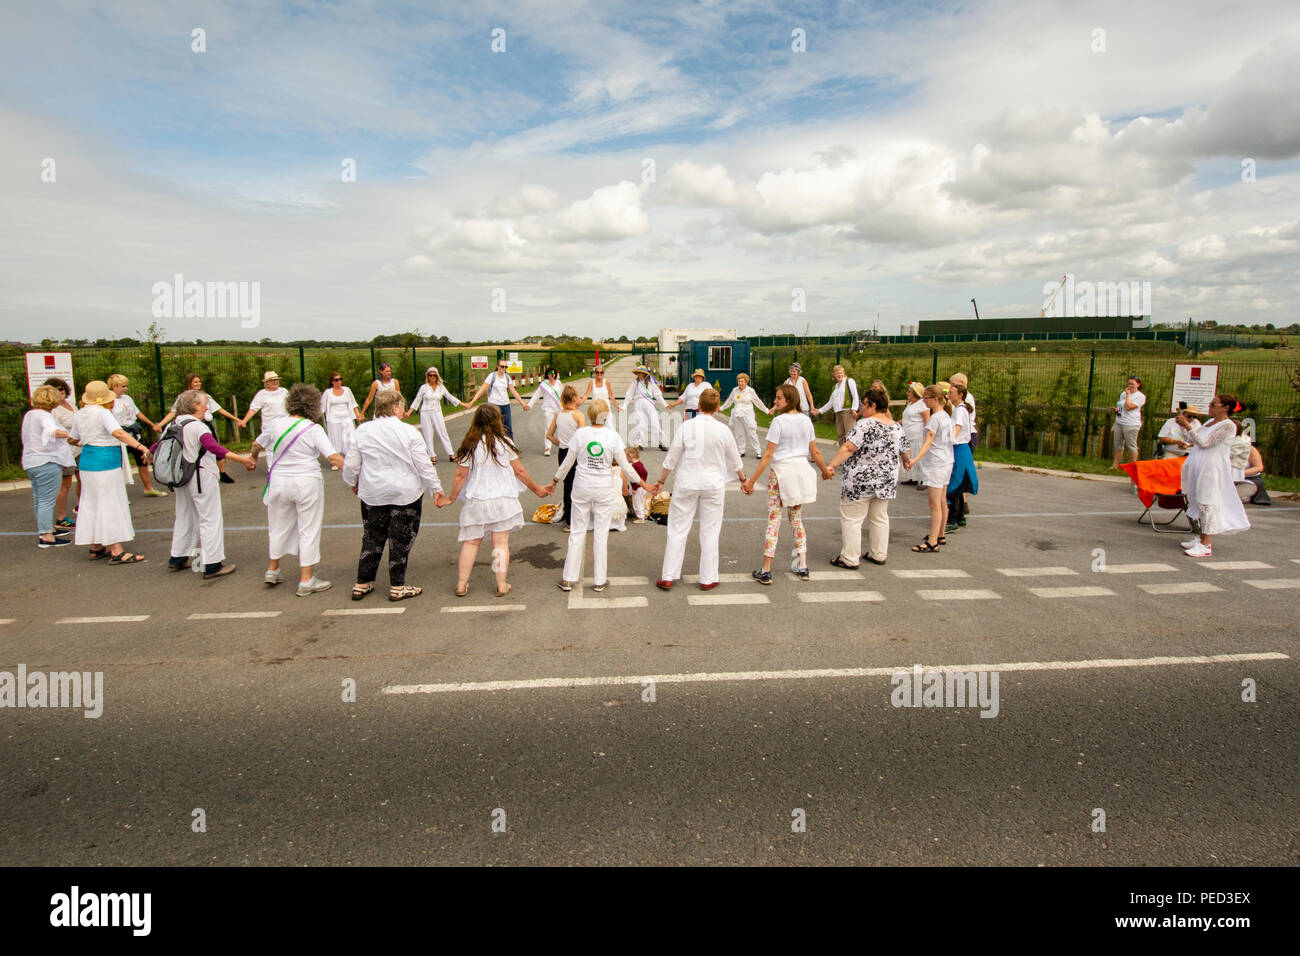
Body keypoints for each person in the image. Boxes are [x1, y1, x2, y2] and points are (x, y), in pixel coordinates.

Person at [343, 390, 447, 601]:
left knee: (372, 536)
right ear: (395, 407)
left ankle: (362, 582)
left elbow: (351, 463)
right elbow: (423, 464)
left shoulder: (362, 431)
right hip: (404, 492)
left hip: (373, 492)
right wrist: (436, 488)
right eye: (401, 407)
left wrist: (353, 482)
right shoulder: (409, 432)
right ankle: (397, 585)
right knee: (400, 539)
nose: (402, 411)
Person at [440, 404, 549, 597]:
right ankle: (501, 584)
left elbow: (460, 475)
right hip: (502, 500)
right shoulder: (504, 442)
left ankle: (461, 584)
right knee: (500, 543)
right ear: (497, 420)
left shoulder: (470, 443)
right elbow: (519, 471)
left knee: (471, 542)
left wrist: (450, 498)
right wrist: (536, 489)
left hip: (477, 500)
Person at [248, 383, 345, 596]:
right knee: (308, 528)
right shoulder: (313, 429)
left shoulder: (275, 425)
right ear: (313, 406)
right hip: (306, 481)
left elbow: (257, 445)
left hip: (279, 481)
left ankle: (273, 569)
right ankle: (306, 579)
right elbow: (333, 457)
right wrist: (355, 472)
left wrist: (253, 459)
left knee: (277, 525)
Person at [646, 388, 748, 590]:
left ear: (698, 406)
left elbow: (671, 458)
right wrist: (744, 480)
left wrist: (660, 480)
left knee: (677, 529)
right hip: (713, 485)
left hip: (687, 482)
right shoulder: (723, 430)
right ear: (718, 407)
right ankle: (708, 578)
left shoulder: (687, 427)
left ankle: (668, 575)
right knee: (710, 531)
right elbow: (736, 462)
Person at [741, 383, 833, 584]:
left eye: (778, 398)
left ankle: (766, 569)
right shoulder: (806, 421)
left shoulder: (779, 422)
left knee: (774, 520)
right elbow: (814, 452)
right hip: (800, 472)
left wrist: (751, 482)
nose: (775, 401)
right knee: (796, 520)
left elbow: (768, 455)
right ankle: (802, 565)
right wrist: (825, 471)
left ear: (789, 400)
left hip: (781, 473)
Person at [163, 388, 256, 578]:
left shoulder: (174, 424)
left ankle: (178, 556)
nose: (207, 405)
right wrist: (243, 460)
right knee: (210, 518)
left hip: (181, 476)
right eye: (204, 402)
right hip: (201, 476)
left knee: (184, 515)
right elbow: (214, 447)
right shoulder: (198, 426)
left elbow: (158, 447)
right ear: (195, 405)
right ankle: (212, 564)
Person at [550, 400, 640, 591]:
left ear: (589, 415)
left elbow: (567, 463)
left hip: (582, 487)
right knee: (601, 534)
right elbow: (625, 466)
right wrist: (642, 482)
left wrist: (555, 480)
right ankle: (600, 580)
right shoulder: (612, 436)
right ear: (605, 417)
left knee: (577, 532)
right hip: (602, 489)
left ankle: (568, 578)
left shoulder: (580, 434)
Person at [68, 381, 156, 564]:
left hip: (87, 463)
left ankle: (96, 545)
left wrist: (87, 441)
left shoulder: (80, 414)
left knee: (91, 502)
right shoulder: (102, 413)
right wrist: (141, 447)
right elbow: (119, 433)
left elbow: (72, 438)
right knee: (111, 503)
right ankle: (116, 549)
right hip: (106, 464)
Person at [826, 386, 909, 568]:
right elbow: (905, 450)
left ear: (872, 405)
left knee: (852, 518)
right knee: (879, 516)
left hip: (861, 481)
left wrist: (832, 465)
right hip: (886, 480)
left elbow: (849, 447)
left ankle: (850, 557)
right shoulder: (896, 427)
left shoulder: (864, 425)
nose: (862, 409)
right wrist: (907, 461)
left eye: (864, 405)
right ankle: (878, 553)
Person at [1175, 394, 1250, 557]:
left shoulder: (1228, 426)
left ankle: (1206, 543)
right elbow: (1193, 439)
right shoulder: (1209, 422)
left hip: (1211, 467)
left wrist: (1187, 426)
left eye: (1213, 404)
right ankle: (1201, 537)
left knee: (1207, 502)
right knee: (1196, 499)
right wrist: (1183, 426)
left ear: (1225, 408)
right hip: (1198, 464)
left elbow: (1205, 443)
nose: (1210, 406)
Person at [156, 373, 242, 484]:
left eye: (199, 381)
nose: (198, 383)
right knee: (195, 449)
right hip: (193, 424)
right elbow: (173, 412)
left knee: (214, 447)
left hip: (206, 424)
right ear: (189, 383)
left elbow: (219, 409)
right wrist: (160, 424)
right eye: (195, 382)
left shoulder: (205, 396)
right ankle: (193, 471)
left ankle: (222, 472)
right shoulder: (184, 398)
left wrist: (236, 419)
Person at [901, 384, 954, 553]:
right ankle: (940, 534)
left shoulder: (935, 418)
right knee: (942, 501)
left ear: (935, 399)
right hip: (946, 461)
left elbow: (928, 441)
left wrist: (914, 460)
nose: (924, 401)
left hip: (937, 464)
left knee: (935, 504)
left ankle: (933, 541)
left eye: (926, 398)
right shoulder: (945, 415)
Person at [22, 384, 75, 548]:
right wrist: (68, 434)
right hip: (46, 461)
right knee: (47, 500)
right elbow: (51, 431)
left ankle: (46, 529)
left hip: (31, 462)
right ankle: (46, 536)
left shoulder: (30, 414)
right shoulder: (45, 416)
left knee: (39, 498)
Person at [107, 374, 166, 497]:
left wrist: (152, 425)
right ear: (114, 386)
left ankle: (148, 488)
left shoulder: (127, 398)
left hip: (133, 433)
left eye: (126, 386)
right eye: (123, 386)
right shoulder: (109, 401)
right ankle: (119, 494)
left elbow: (138, 413)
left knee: (142, 460)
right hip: (120, 434)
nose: (126, 389)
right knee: (120, 464)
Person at [545, 385, 586, 528]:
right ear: (574, 398)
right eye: (579, 396)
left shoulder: (558, 414)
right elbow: (582, 438)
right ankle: (573, 519)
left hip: (563, 451)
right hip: (575, 452)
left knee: (567, 484)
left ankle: (567, 516)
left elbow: (549, 435)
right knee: (576, 484)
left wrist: (560, 442)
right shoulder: (578, 415)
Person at [44, 377, 80, 528]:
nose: (61, 392)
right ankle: (61, 517)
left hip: (79, 448)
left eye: (62, 389)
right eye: (57, 390)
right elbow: (53, 432)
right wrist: (68, 437)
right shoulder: (54, 411)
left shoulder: (71, 404)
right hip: (65, 451)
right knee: (65, 483)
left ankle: (81, 507)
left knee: (83, 478)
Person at [406, 366, 461, 462]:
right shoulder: (424, 387)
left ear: (437, 376)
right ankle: (432, 455)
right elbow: (417, 400)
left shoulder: (441, 387)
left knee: (442, 432)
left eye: (434, 375)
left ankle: (451, 454)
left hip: (437, 411)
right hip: (425, 412)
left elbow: (450, 397)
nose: (432, 377)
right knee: (428, 433)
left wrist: (463, 404)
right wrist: (408, 413)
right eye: (430, 375)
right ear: (427, 376)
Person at [945, 381, 979, 532]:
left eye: (951, 393)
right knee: (958, 485)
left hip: (959, 449)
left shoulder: (959, 410)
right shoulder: (961, 408)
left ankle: (952, 519)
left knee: (953, 485)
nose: (948, 395)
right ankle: (960, 517)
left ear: (960, 395)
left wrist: (949, 440)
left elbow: (957, 427)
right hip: (962, 449)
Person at [467, 359, 530, 439]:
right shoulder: (492, 376)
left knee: (508, 429)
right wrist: (472, 402)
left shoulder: (507, 377)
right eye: (502, 366)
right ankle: (492, 447)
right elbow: (482, 389)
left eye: (506, 367)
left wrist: (523, 404)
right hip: (493, 406)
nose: (504, 368)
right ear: (497, 366)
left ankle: (511, 448)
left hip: (505, 405)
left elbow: (514, 392)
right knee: (493, 429)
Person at [719, 373, 769, 457]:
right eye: (739, 381)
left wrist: (766, 411)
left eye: (742, 381)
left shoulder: (750, 391)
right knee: (739, 433)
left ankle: (758, 451)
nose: (740, 383)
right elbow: (729, 400)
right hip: (737, 413)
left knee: (751, 432)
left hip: (748, 413)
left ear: (746, 382)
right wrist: (721, 408)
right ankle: (741, 451)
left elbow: (757, 401)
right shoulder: (735, 390)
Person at [320, 371, 363, 466]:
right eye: (336, 380)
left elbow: (353, 404)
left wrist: (358, 415)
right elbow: (322, 407)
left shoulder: (347, 390)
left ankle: (351, 459)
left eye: (340, 379)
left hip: (347, 418)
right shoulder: (328, 392)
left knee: (350, 438)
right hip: (333, 420)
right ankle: (336, 462)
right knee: (335, 440)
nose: (339, 381)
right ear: (332, 382)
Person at [625, 365, 668, 451]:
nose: (639, 374)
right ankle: (639, 443)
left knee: (655, 423)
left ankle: (660, 442)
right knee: (640, 423)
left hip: (649, 404)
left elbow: (658, 395)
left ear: (644, 374)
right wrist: (623, 406)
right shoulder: (635, 383)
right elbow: (629, 395)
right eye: (638, 372)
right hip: (638, 404)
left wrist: (665, 404)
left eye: (641, 372)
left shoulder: (651, 383)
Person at [239, 371, 290, 441]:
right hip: (270, 426)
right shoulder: (261, 394)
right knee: (271, 448)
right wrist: (244, 421)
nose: (275, 382)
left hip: (284, 424)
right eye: (272, 380)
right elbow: (253, 408)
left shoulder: (284, 391)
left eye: (276, 380)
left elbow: (291, 404)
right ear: (267, 382)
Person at [818, 365, 861, 444]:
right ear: (834, 375)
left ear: (844, 373)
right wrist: (819, 411)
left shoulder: (849, 381)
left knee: (850, 434)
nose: (839, 375)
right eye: (837, 373)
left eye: (841, 373)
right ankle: (843, 454)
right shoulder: (835, 387)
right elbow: (831, 402)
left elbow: (855, 396)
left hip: (848, 412)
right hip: (838, 413)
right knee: (840, 435)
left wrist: (854, 409)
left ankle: (852, 455)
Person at [1230, 427, 1272, 506]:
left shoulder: (1250, 449)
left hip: (1248, 481)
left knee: (1231, 497)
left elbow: (1259, 467)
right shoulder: (1223, 448)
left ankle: (1246, 497)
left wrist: (1239, 473)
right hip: (1229, 481)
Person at [1111, 375, 1146, 470]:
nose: (1130, 385)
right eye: (1129, 383)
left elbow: (1128, 407)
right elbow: (1122, 406)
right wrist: (1117, 410)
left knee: (1131, 445)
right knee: (1117, 444)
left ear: (1138, 384)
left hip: (1131, 424)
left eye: (1132, 384)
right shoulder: (1123, 393)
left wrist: (1127, 395)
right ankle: (1115, 465)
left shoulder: (1140, 396)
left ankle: (1133, 466)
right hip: (1119, 421)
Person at [899, 381, 929, 485]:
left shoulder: (922, 404)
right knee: (910, 455)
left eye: (909, 391)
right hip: (908, 434)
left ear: (915, 393)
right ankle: (912, 477)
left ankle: (923, 480)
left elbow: (927, 421)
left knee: (918, 456)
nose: (907, 393)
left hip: (918, 435)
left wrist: (927, 436)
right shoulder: (910, 404)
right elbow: (906, 419)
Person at [530, 367, 565, 455]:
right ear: (547, 374)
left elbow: (563, 394)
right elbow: (536, 395)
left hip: (559, 408)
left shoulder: (559, 383)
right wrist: (530, 405)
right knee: (548, 427)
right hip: (548, 409)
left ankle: (563, 445)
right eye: (549, 374)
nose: (551, 376)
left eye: (553, 374)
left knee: (561, 427)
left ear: (555, 374)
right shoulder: (544, 384)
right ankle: (547, 447)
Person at [950, 372, 977, 447]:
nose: (951, 386)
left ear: (962, 383)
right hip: (960, 435)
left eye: (953, 384)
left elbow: (959, 422)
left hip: (967, 435)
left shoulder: (966, 398)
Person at [624, 445, 650, 521]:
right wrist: (644, 482)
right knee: (640, 502)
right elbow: (645, 473)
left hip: (637, 488)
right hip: (642, 487)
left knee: (637, 503)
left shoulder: (634, 466)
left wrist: (634, 488)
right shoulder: (639, 464)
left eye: (626, 456)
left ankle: (640, 517)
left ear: (630, 456)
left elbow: (635, 479)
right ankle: (641, 515)